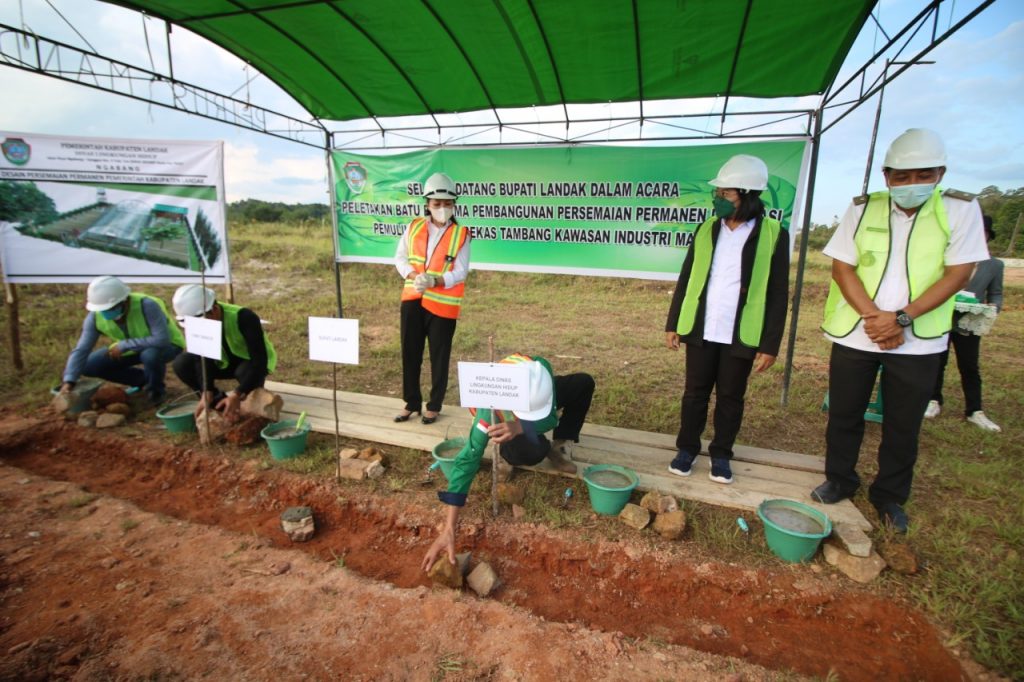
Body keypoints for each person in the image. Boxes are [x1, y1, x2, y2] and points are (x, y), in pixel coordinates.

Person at [812, 128, 989, 534]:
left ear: (940, 173)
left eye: (923, 175)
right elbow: (843, 268)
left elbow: (959, 272)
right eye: (902, 176)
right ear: (887, 175)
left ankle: (889, 496)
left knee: (902, 423)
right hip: (857, 333)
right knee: (844, 413)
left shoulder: (960, 210)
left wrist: (902, 318)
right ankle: (840, 478)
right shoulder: (863, 208)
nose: (911, 184)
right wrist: (875, 317)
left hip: (917, 341)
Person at [664, 154, 790, 485]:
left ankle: (721, 453)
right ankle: (687, 449)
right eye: (717, 193)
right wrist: (674, 322)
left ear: (748, 195)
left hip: (741, 330)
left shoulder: (774, 233)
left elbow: (778, 293)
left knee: (731, 397)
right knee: (694, 394)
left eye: (725, 193)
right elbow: (687, 276)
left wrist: (770, 344)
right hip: (702, 325)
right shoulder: (706, 228)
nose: (717, 198)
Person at [420, 354, 594, 568]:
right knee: (532, 451)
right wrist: (448, 528)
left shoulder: (539, 370)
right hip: (503, 420)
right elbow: (468, 460)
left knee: (583, 383)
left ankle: (560, 444)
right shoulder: (488, 409)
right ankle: (508, 450)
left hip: (521, 412)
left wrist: (521, 426)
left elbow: (548, 418)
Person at [393, 172, 471, 425]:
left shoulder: (461, 234)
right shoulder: (414, 227)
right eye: (436, 204)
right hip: (413, 298)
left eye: (447, 204)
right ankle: (411, 402)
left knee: (439, 355)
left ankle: (434, 405)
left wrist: (436, 281)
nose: (442, 208)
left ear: (454, 205)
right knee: (410, 351)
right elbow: (400, 258)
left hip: (442, 304)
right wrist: (414, 274)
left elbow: (461, 271)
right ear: (427, 204)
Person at [925, 215, 1003, 432]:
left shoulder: (994, 265)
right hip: (941, 318)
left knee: (969, 365)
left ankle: (975, 410)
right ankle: (933, 400)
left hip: (969, 322)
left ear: (987, 237)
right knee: (938, 361)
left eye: (983, 234)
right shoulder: (947, 260)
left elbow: (996, 294)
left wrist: (993, 308)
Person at [60, 276, 183, 404]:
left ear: (124, 300)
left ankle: (156, 391)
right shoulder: (95, 317)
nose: (106, 312)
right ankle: (143, 380)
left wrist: (124, 345)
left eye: (111, 308)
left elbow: (161, 339)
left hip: (168, 345)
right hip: (132, 348)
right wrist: (69, 380)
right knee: (89, 365)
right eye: (103, 309)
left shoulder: (147, 305)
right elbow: (82, 349)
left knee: (150, 355)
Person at [171, 284, 277, 423]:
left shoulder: (244, 317)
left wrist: (237, 394)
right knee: (182, 363)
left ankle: (249, 402)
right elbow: (202, 358)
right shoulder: (198, 324)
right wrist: (206, 390)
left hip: (251, 365)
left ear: (214, 310)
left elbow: (259, 361)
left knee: (244, 371)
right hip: (222, 363)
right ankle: (218, 403)